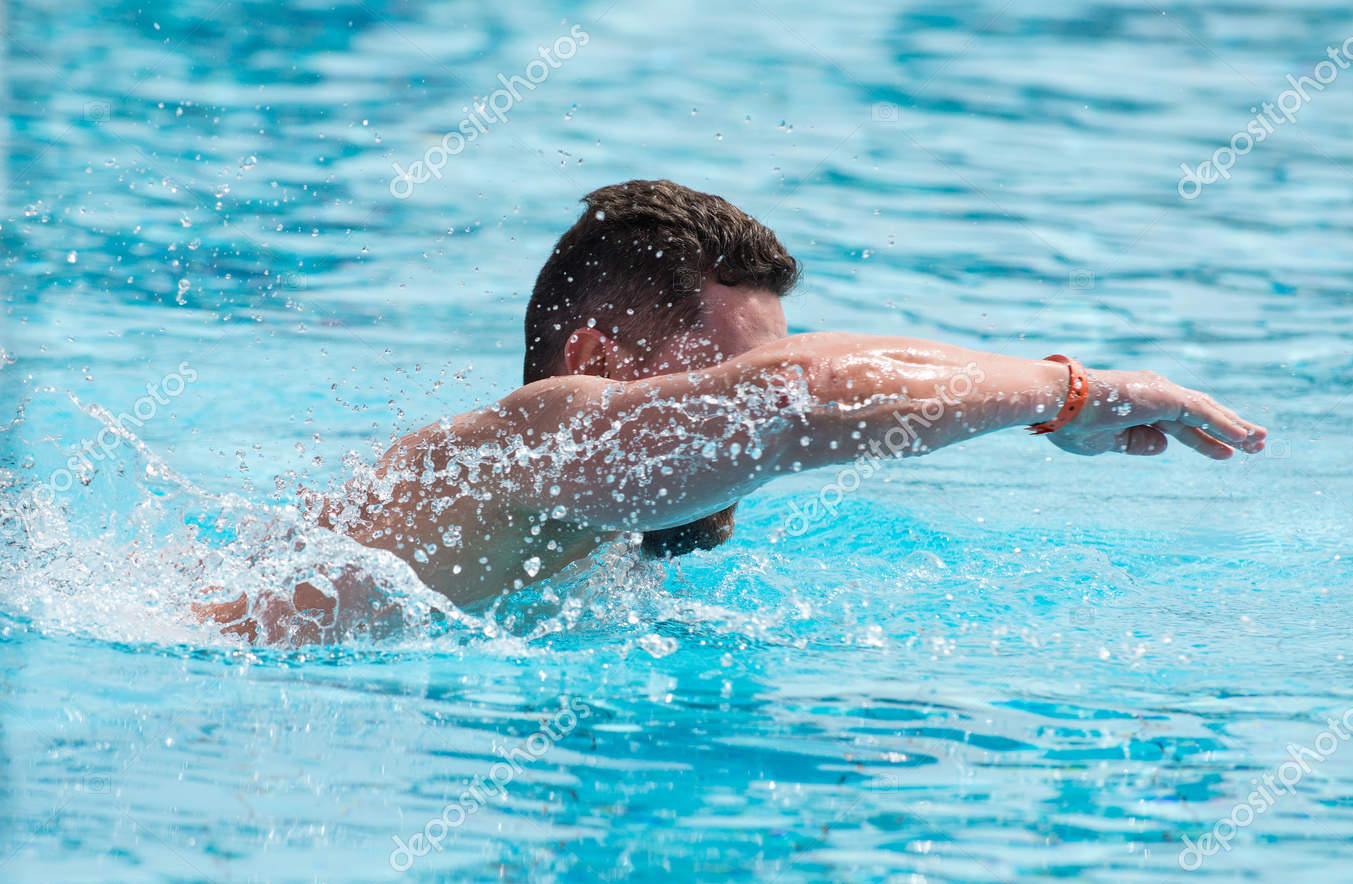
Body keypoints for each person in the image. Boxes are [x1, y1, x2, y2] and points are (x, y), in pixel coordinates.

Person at [199, 179, 1265, 642]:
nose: (737, 427)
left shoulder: (572, 535)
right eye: (712, 375)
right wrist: (1073, 394)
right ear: (596, 360)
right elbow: (790, 402)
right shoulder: (539, 431)